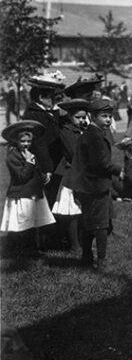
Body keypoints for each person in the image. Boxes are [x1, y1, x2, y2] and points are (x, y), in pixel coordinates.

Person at [71, 98, 119, 271]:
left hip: (87, 185)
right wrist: (118, 170)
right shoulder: (94, 136)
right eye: (104, 116)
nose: (108, 120)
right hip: (95, 186)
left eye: (110, 116)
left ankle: (86, 257)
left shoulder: (92, 133)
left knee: (89, 222)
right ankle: (101, 261)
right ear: (92, 116)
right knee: (101, 224)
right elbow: (100, 163)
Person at [1, 120, 55, 247]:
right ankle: (19, 247)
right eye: (23, 141)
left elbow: (36, 170)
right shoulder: (13, 156)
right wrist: (29, 162)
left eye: (29, 141)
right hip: (22, 193)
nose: (26, 144)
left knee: (34, 220)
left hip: (33, 192)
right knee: (23, 221)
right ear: (16, 141)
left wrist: (44, 176)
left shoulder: (30, 154)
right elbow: (22, 176)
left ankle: (32, 246)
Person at [21, 71, 67, 207]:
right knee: (43, 197)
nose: (54, 100)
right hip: (43, 164)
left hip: (54, 162)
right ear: (41, 97)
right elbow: (39, 144)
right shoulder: (33, 115)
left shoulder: (46, 112)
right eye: (52, 97)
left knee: (51, 195)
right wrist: (47, 168)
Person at [51, 98, 90, 251]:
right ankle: (74, 243)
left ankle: (82, 240)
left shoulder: (85, 130)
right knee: (72, 209)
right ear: (70, 117)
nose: (81, 120)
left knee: (84, 208)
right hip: (71, 172)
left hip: (85, 171)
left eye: (83, 117)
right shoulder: (66, 131)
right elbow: (73, 152)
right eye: (77, 117)